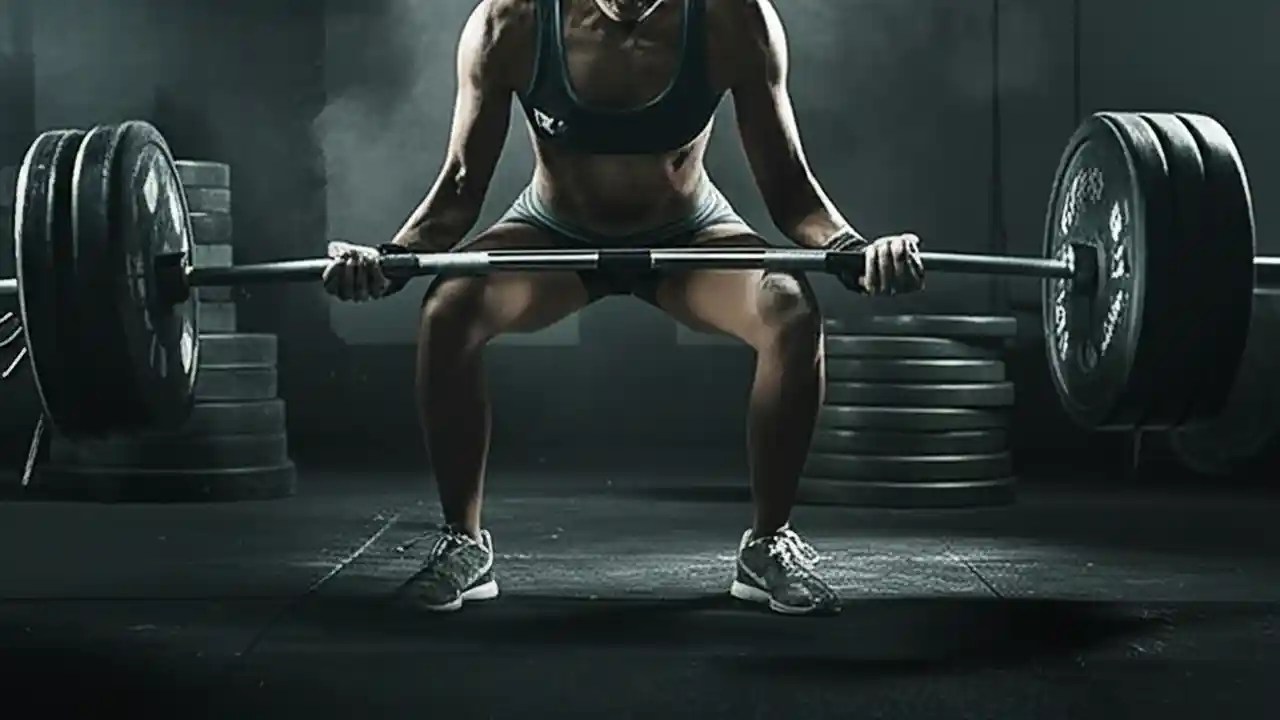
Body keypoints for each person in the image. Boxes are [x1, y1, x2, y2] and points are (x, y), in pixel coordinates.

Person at [322, 0, 924, 616]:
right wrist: (388, 260)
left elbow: (791, 189)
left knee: (790, 309)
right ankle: (463, 544)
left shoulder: (735, 19)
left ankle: (767, 545)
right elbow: (457, 189)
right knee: (448, 309)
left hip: (687, 235)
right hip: (557, 234)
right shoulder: (510, 22)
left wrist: (854, 248)